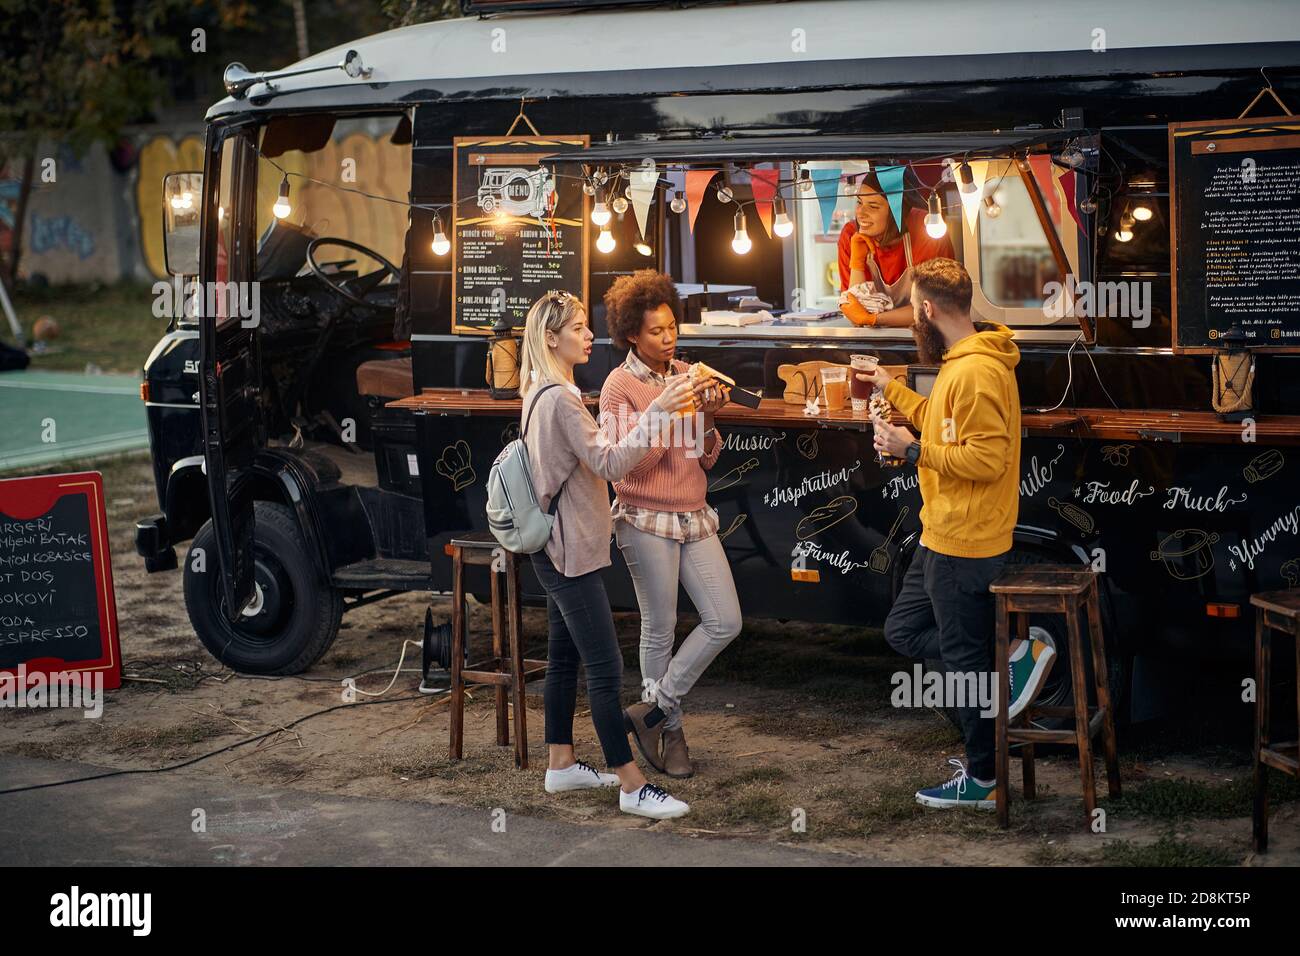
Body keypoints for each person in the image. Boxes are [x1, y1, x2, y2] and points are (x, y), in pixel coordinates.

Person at [857, 257, 1055, 809]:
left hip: (965, 541)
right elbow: (947, 425)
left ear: (925, 309)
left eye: (910, 308)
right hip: (941, 533)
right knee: (903, 631)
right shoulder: (965, 361)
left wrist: (910, 451)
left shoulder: (974, 371)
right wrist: (893, 390)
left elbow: (986, 460)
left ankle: (984, 777)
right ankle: (1008, 664)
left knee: (965, 667)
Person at [518, 289, 707, 819]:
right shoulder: (561, 400)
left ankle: (560, 763)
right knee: (605, 666)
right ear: (551, 338)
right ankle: (631, 785)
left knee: (564, 657)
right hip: (569, 550)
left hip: (553, 545)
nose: (589, 335)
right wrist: (659, 411)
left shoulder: (540, 390)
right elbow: (612, 464)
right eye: (578, 328)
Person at [600, 271, 742, 778]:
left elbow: (704, 458)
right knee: (659, 627)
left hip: (693, 512)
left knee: (725, 620)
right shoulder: (618, 387)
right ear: (631, 335)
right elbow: (627, 468)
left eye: (672, 327)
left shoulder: (687, 373)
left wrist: (708, 416)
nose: (668, 339)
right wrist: (664, 412)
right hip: (644, 516)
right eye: (656, 331)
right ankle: (672, 731)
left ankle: (653, 709)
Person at [835, 174, 954, 328]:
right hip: (874, 338)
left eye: (873, 206)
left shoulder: (927, 230)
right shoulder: (851, 235)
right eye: (859, 202)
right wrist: (857, 262)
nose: (860, 213)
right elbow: (854, 312)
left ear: (896, 211)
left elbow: (934, 309)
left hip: (927, 335)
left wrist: (873, 319)